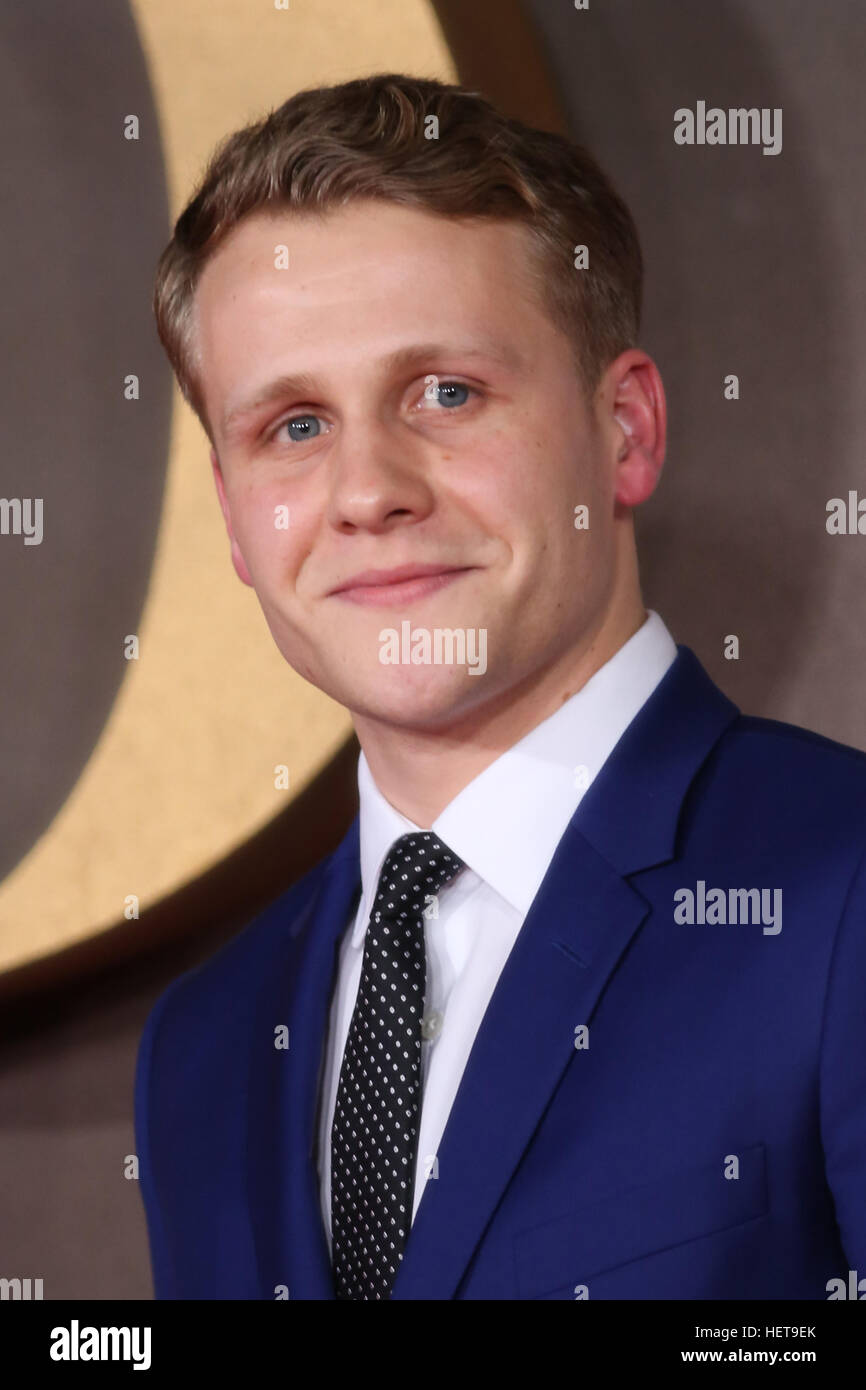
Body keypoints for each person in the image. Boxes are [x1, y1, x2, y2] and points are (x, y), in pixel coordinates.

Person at [135, 72, 866, 1300]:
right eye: (295, 427)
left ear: (623, 430)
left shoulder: (836, 893)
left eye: (446, 393)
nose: (368, 490)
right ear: (229, 513)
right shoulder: (206, 1043)